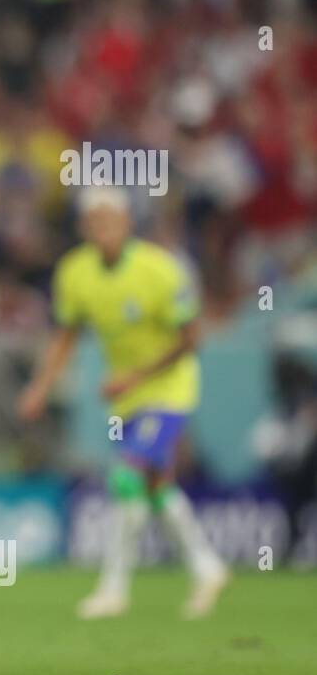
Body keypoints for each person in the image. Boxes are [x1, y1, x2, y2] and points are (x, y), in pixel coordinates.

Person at [17, 187, 229, 619]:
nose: (102, 229)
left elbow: (191, 338)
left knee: (127, 476)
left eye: (110, 220)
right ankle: (207, 566)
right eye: (94, 221)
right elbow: (66, 335)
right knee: (155, 484)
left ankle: (114, 589)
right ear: (83, 227)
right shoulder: (75, 273)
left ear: (128, 223)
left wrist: (135, 376)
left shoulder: (159, 270)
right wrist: (40, 386)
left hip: (169, 389)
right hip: (128, 395)